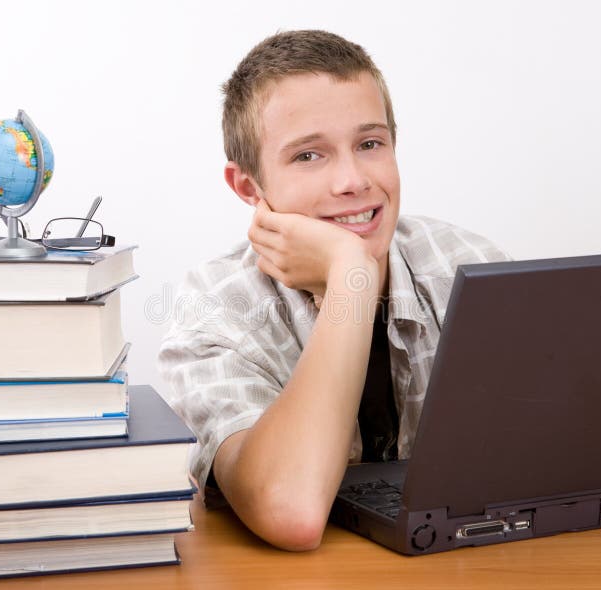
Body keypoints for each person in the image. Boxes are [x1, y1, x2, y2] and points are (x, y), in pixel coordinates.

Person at [158, 29, 509, 551]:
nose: (353, 180)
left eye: (369, 144)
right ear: (249, 187)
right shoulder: (212, 311)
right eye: (308, 156)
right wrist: (351, 276)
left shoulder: (471, 266)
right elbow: (290, 512)